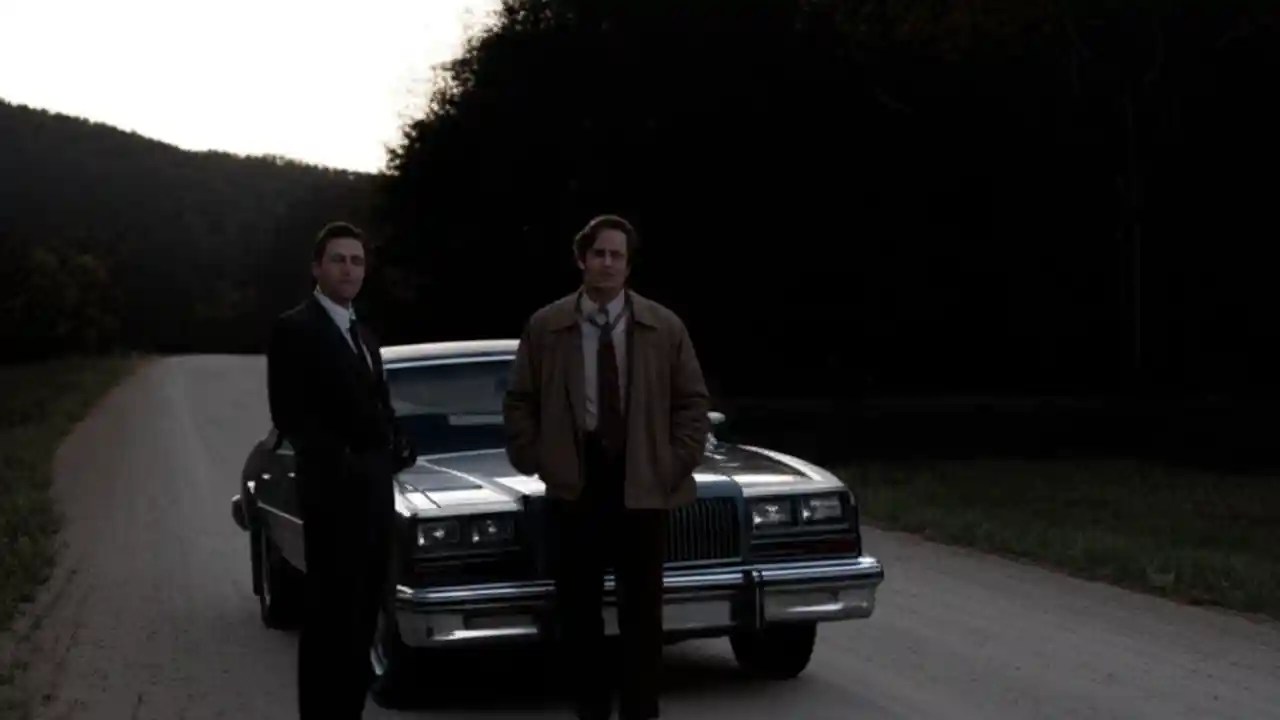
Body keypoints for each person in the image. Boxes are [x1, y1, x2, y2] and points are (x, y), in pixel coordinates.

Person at [503, 214, 711, 719]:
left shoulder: (664, 326)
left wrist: (672, 463)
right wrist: (537, 458)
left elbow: (692, 403)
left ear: (629, 264)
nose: (608, 263)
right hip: (577, 485)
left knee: (643, 616)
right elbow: (519, 400)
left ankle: (641, 712)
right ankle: (590, 711)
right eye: (599, 253)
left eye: (618, 255)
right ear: (582, 259)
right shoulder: (547, 326)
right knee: (579, 614)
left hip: (643, 485)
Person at [266, 221, 414, 719]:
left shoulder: (364, 333)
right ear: (316, 266)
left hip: (375, 499)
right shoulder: (294, 328)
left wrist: (396, 446)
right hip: (332, 500)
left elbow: (380, 408)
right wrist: (346, 463)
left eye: (356, 261)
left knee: (362, 620)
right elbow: (290, 416)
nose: (349, 269)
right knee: (328, 621)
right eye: (338, 259)